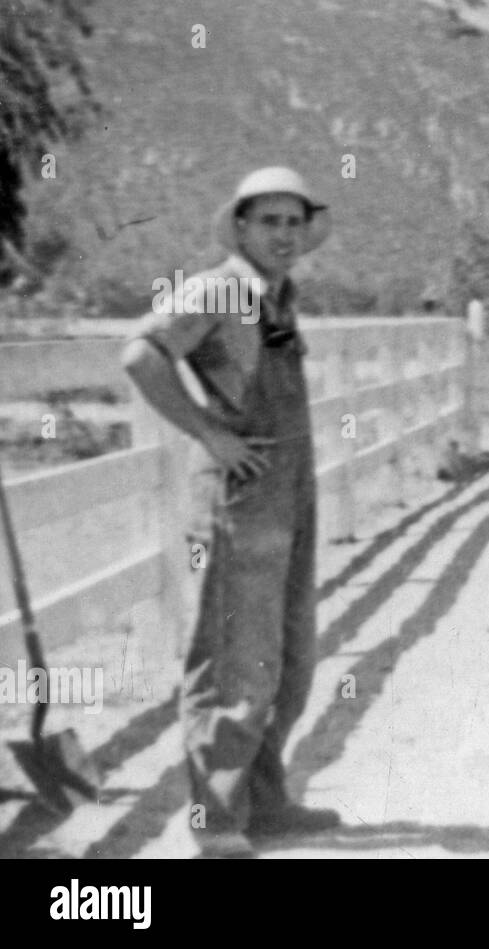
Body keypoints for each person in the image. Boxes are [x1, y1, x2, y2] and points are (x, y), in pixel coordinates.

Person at [121, 167, 341, 856]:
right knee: (232, 657)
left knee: (288, 654)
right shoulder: (219, 287)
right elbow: (142, 352)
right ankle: (215, 821)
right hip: (240, 497)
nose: (283, 233)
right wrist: (207, 431)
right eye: (268, 221)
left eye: (293, 221)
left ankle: (265, 803)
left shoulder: (277, 296)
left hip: (290, 490)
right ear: (240, 228)